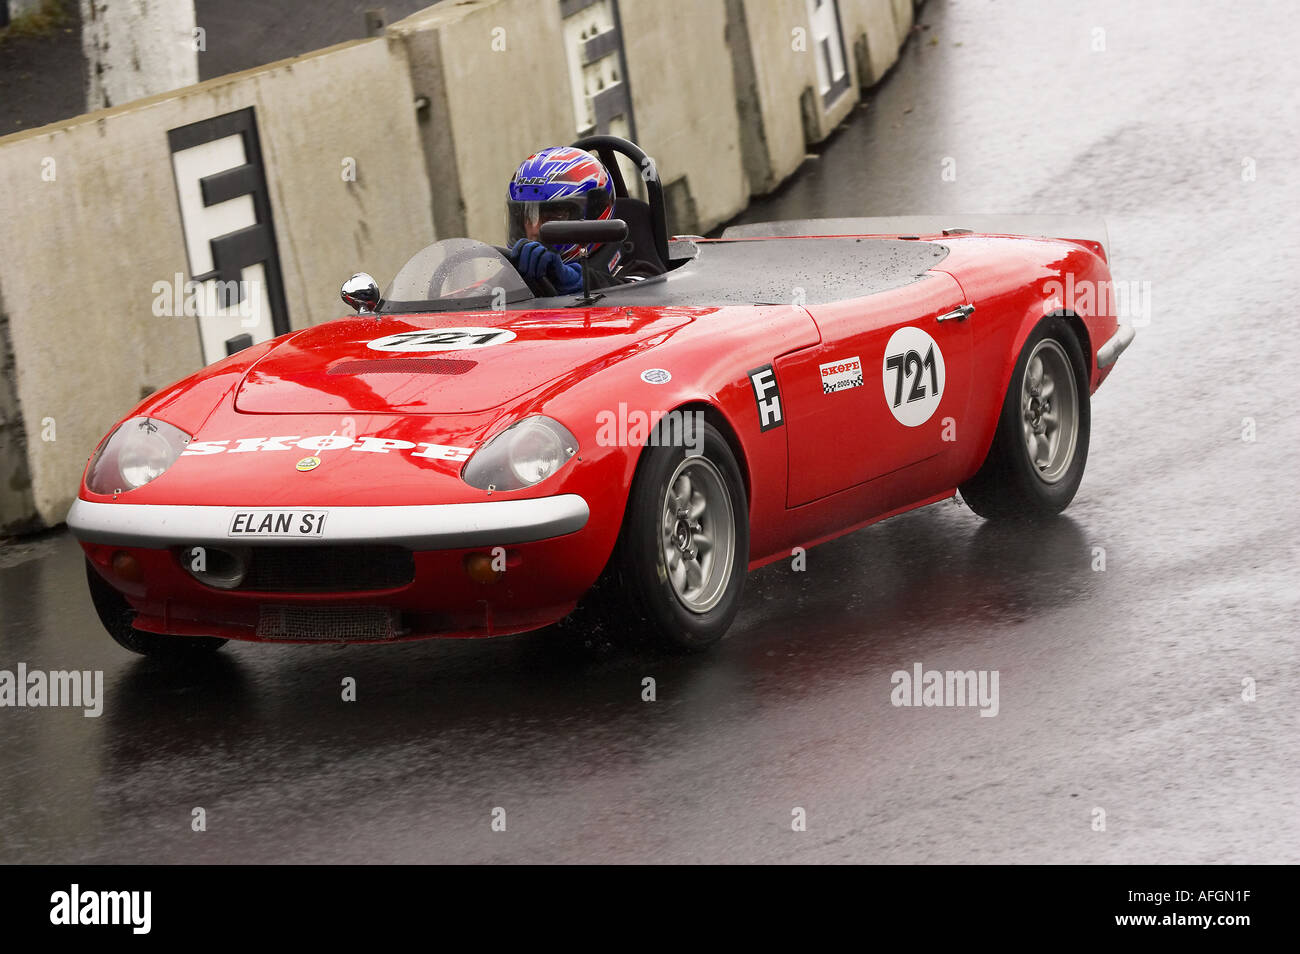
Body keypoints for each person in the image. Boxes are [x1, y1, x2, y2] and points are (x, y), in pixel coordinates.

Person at [505, 146, 626, 295]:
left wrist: (574, 280)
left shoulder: (634, 263)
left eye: (552, 217)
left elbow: (641, 291)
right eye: (528, 217)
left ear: (593, 213)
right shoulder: (512, 275)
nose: (535, 230)